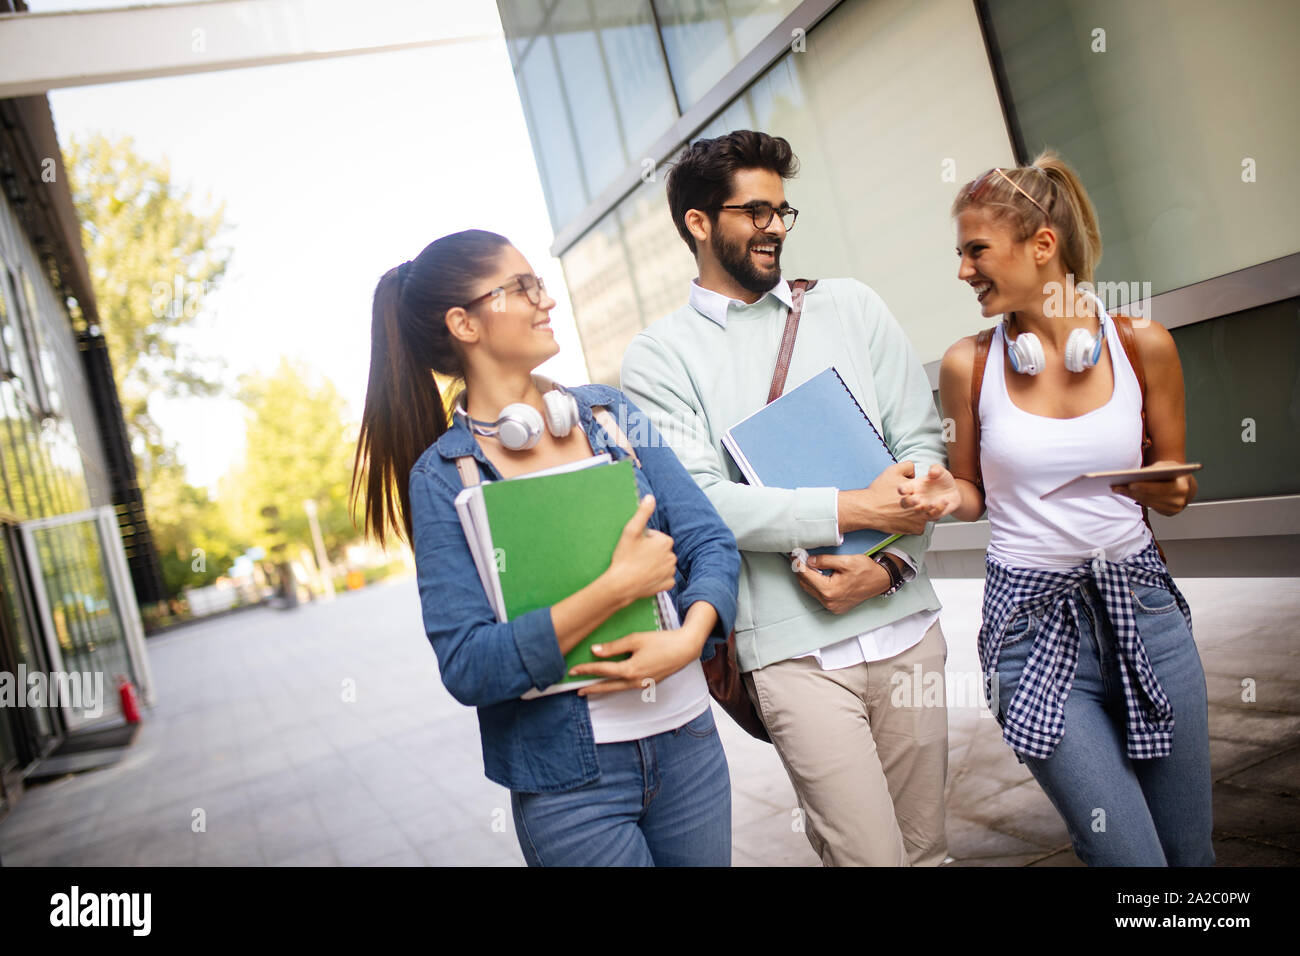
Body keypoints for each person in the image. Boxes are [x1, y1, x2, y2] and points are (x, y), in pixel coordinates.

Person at [351, 229, 740, 866]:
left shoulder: (612, 413)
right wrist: (615, 587)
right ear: (464, 323)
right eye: (523, 287)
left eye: (540, 283)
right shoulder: (443, 477)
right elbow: (470, 665)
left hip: (688, 744)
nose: (546, 300)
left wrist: (691, 636)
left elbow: (709, 541)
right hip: (571, 786)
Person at [620, 131, 950, 866]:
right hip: (792, 654)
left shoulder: (852, 308)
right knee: (871, 859)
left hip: (907, 628)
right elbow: (705, 506)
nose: (774, 226)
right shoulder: (657, 356)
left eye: (781, 210)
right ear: (698, 223)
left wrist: (891, 566)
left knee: (928, 854)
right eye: (754, 210)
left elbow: (922, 450)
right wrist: (861, 508)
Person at [906, 150, 1213, 865]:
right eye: (960, 253)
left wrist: (1171, 489)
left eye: (976, 250)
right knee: (1130, 860)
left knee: (1189, 862)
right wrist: (949, 494)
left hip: (1145, 614)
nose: (963, 271)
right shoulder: (969, 365)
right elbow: (971, 489)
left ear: (1042, 246)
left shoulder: (1143, 346)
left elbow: (1175, 483)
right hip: (1031, 632)